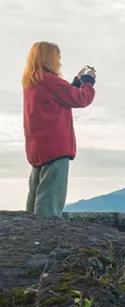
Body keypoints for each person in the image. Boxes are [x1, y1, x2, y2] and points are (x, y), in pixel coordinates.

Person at [21, 41, 96, 217]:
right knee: (50, 201)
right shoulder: (51, 81)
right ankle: (45, 236)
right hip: (56, 147)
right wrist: (88, 82)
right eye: (58, 58)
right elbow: (80, 99)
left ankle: (33, 234)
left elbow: (61, 97)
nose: (60, 62)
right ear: (50, 59)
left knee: (36, 195)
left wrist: (75, 82)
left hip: (38, 147)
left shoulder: (32, 83)